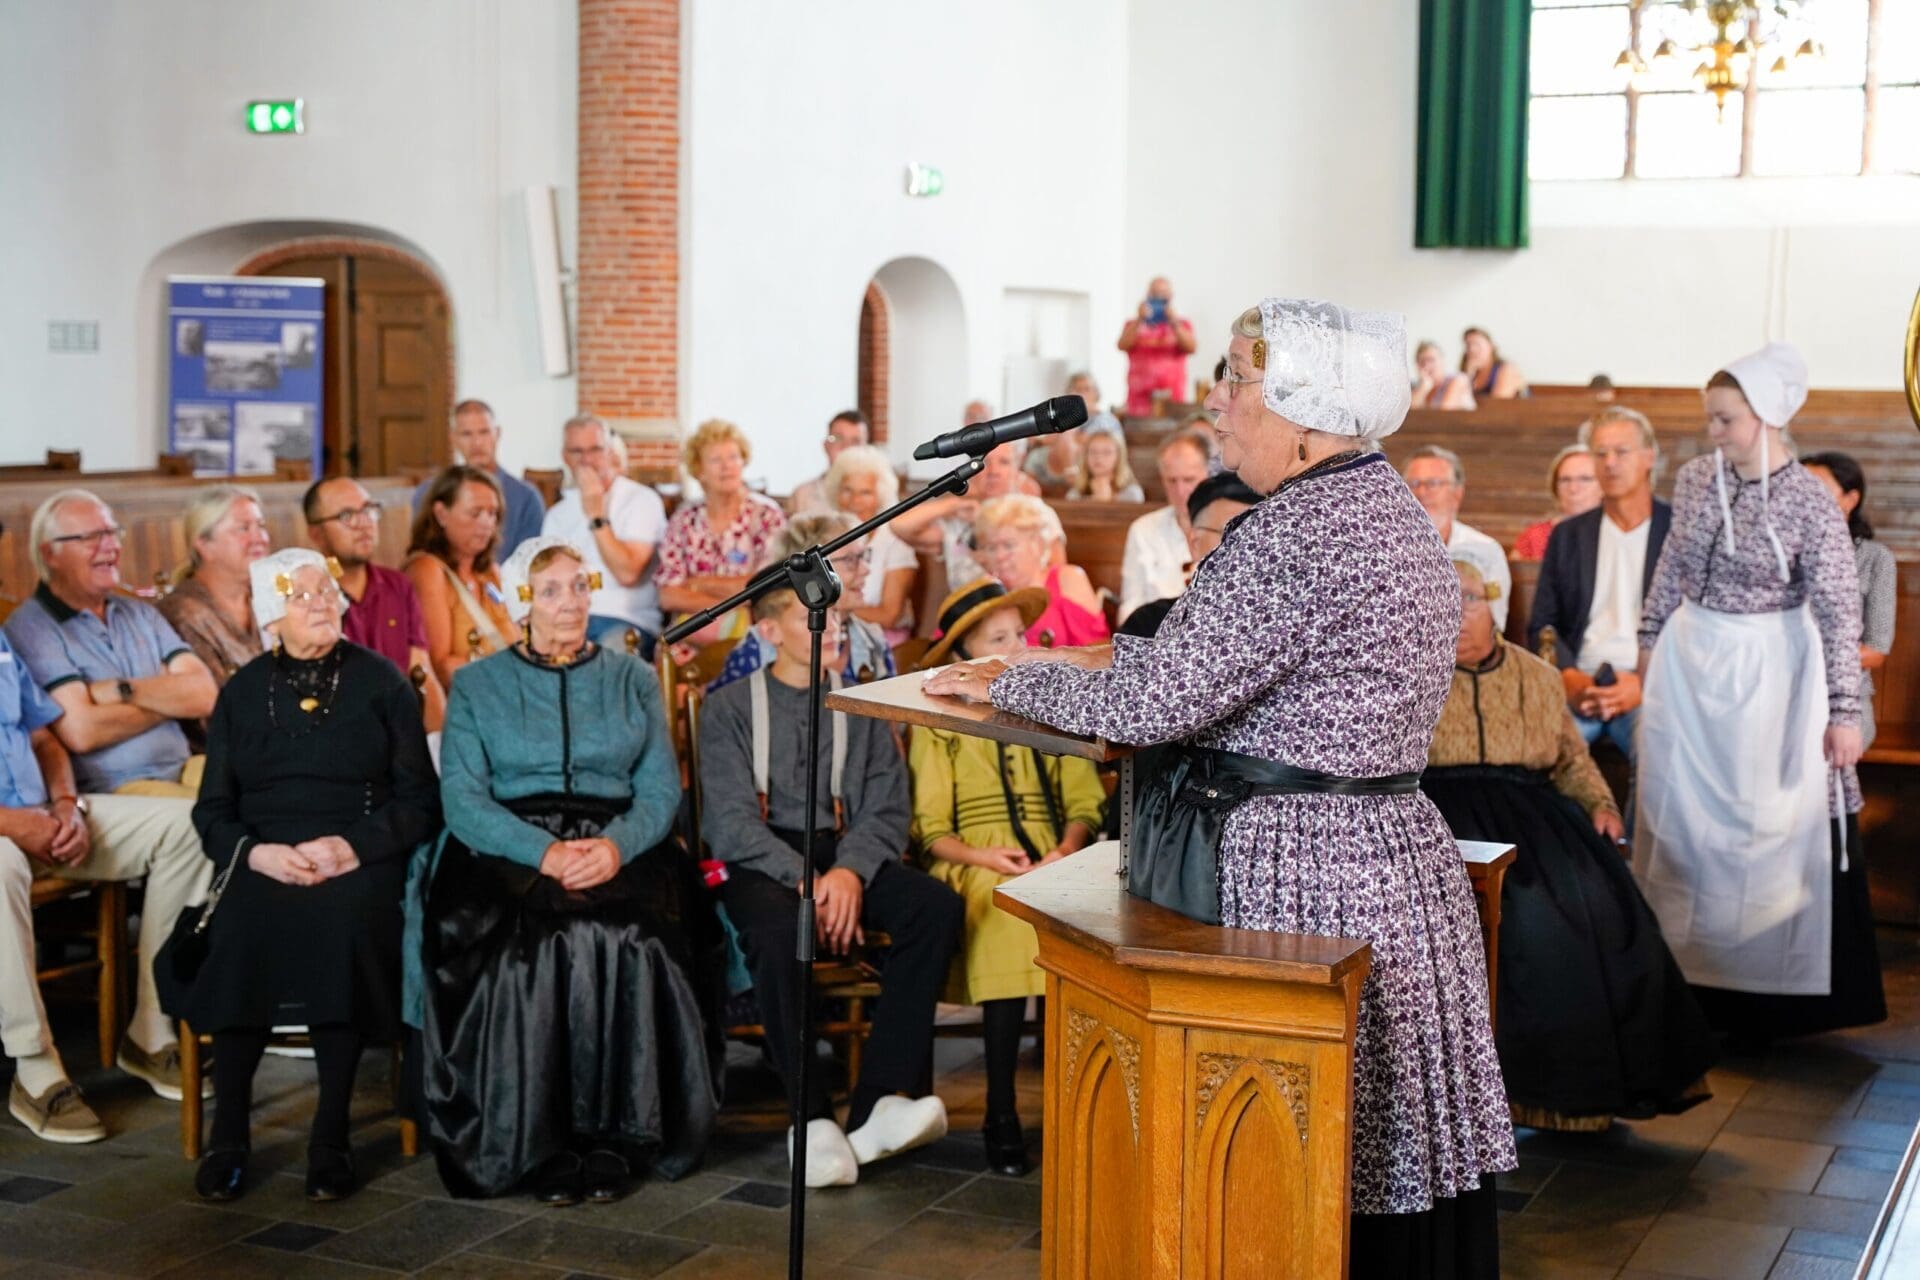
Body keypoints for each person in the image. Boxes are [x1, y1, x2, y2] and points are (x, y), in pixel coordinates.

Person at [928, 297, 1514, 1275]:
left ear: (1302, 412)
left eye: (1238, 381)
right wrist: (1067, 666)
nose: (1216, 401)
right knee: (1385, 1147)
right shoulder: (1389, 510)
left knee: (1297, 1155)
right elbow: (1240, 671)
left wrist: (1009, 680)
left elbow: (1157, 702)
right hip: (1390, 852)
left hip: (1303, 868)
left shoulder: (1289, 531)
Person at [408, 537, 721, 1204]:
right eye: (550, 590)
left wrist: (614, 847)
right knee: (528, 951)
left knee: (636, 939)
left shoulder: (633, 678)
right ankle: (538, 1141)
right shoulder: (478, 685)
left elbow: (659, 792)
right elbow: (463, 800)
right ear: (521, 604)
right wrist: (544, 853)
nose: (571, 602)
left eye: (580, 586)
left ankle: (621, 1135)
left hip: (619, 839)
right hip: (506, 845)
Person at [1633, 343, 1885, 1044]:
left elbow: (1838, 609)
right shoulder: (1695, 479)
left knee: (1764, 826)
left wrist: (1843, 712)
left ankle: (1771, 1000)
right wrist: (1648, 643)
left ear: (1767, 415)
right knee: (1685, 821)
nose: (1713, 432)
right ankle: (1688, 984)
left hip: (1775, 671)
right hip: (1693, 663)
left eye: (1726, 420)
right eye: (1710, 418)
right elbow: (1672, 565)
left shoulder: (1809, 499)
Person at [177, 549, 439, 1204]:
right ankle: (229, 1135)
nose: (323, 603)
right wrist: (257, 855)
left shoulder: (381, 681)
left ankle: (331, 1136)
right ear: (272, 616)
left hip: (357, 853)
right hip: (265, 854)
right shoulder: (241, 692)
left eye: (328, 593)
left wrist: (350, 849)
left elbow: (421, 802)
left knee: (342, 923)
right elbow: (211, 812)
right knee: (240, 930)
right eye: (303, 596)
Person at [1425, 559, 1715, 1132]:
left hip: (1533, 814)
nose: (1456, 615)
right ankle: (1516, 1097)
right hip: (1443, 816)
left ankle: (1594, 1093)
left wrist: (1602, 806)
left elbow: (1570, 760)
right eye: (1441, 602)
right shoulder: (1409, 672)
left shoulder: (1537, 676)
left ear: (1493, 607)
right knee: (1529, 925)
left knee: (1610, 912)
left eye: (1468, 600)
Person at [699, 583, 963, 1189]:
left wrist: (848, 871)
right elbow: (730, 824)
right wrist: (807, 882)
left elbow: (887, 808)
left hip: (843, 849)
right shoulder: (728, 708)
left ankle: (878, 1103)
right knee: (776, 930)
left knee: (935, 907)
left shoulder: (860, 706)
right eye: (814, 617)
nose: (835, 627)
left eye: (838, 616)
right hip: (766, 858)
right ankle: (811, 1116)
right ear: (769, 631)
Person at [909, 580, 1104, 1175]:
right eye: (997, 639)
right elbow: (931, 828)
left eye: (1018, 634)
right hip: (974, 858)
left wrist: (1065, 849)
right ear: (961, 655)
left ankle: (1080, 1110)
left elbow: (1082, 797)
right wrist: (983, 857)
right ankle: (1000, 1109)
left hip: (1054, 853)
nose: (1015, 648)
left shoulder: (1045, 697)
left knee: (1084, 914)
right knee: (1005, 913)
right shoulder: (935, 719)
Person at [0, 627, 210, 1137]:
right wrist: (13, 824)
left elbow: (43, 737)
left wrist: (66, 805)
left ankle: (151, 1029)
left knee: (190, 826)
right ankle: (35, 1067)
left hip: (45, 816)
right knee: (1, 863)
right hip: (7, 833)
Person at [5, 489, 218, 799]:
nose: (110, 546)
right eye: (91, 537)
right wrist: (169, 700)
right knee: (222, 815)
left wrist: (120, 691)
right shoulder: (32, 628)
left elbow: (204, 695)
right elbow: (82, 731)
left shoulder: (139, 613)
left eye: (112, 533)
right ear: (50, 554)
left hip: (185, 766)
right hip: (117, 787)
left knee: (273, 789)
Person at [1527, 409, 1671, 763]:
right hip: (1582, 680)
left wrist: (1645, 682)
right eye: (1600, 453)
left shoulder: (1678, 529)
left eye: (1621, 452)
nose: (1610, 463)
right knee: (1534, 752)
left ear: (1649, 456)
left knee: (1660, 754)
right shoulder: (1569, 535)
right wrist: (1568, 676)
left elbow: (1693, 625)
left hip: (1652, 684)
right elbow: (1543, 623)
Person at [303, 477, 446, 728]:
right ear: (316, 534)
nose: (364, 523)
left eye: (368, 510)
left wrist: (437, 742)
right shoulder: (307, 599)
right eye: (347, 516)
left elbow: (422, 674)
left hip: (400, 732)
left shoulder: (397, 586)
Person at [707, 514, 898, 692]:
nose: (865, 569)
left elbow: (891, 714)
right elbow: (725, 709)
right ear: (808, 572)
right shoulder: (757, 648)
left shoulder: (873, 642)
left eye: (863, 556)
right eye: (850, 560)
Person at [542, 415, 669, 657]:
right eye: (577, 452)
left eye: (595, 450)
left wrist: (596, 515)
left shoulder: (640, 500)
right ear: (565, 457)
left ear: (610, 452)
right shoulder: (556, 515)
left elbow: (627, 573)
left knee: (603, 662)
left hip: (626, 621)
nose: (587, 460)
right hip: (568, 621)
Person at [656, 419, 787, 648]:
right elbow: (668, 596)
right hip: (689, 635)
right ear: (699, 470)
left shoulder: (767, 515)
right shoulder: (684, 519)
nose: (727, 466)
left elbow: (764, 588)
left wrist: (696, 583)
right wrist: (735, 604)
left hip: (752, 633)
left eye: (734, 457)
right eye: (716, 460)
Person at [157, 486, 270, 747]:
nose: (259, 538)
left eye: (261, 526)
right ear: (204, 545)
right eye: (243, 528)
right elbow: (214, 716)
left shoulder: (269, 597)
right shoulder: (184, 613)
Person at [1803, 451, 1897, 753]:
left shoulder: (1875, 559)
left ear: (1850, 499)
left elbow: (1876, 652)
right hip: (1782, 692)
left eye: (1818, 490)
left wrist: (1804, 658)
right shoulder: (1781, 554)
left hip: (1843, 702)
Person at [1117, 472, 1262, 639]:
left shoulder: (1279, 621)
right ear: (1194, 543)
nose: (1246, 547)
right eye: (1231, 533)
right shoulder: (1149, 623)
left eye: (1256, 535)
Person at [406, 466, 513, 689]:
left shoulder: (489, 571)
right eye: (475, 513)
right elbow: (440, 670)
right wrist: (509, 670)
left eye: (492, 513)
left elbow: (517, 641)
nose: (486, 523)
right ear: (441, 514)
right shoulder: (428, 570)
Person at [892, 437, 1040, 590]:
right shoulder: (960, 520)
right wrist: (953, 504)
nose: (993, 471)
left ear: (1016, 470)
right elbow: (899, 525)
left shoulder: (1032, 514)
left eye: (1004, 462)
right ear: (973, 471)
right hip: (968, 603)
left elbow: (1048, 574)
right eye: (985, 463)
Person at [410, 400, 546, 557]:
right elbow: (421, 552)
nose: (477, 443)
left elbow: (530, 562)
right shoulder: (429, 492)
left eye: (484, 432)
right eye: (466, 434)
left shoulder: (526, 497)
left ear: (497, 434)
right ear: (453, 438)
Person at [973, 496, 1108, 649]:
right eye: (991, 548)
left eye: (1008, 545)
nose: (1000, 556)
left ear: (1036, 544)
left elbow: (1097, 649)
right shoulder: (984, 590)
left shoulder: (1067, 579)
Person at [1404, 445, 1512, 631]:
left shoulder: (1485, 550)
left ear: (1457, 493)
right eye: (1413, 484)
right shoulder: (1386, 548)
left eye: (1433, 483)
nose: (1421, 493)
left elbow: (1495, 625)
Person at [822, 444, 917, 641]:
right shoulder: (824, 535)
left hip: (881, 639)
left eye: (865, 492)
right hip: (830, 632)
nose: (854, 500)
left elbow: (889, 616)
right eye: (847, 490)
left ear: (880, 496)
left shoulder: (895, 541)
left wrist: (831, 607)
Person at [1117, 428, 1213, 623]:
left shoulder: (1229, 527)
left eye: (1189, 480)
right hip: (1153, 631)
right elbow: (1131, 603)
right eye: (1172, 481)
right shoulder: (1143, 530)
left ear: (1208, 475)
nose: (1180, 490)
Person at [1117, 277, 1197, 415]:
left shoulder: (1182, 324)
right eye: (1155, 293)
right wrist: (1139, 319)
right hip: (1138, 403)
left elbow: (1191, 348)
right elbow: (1122, 345)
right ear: (1148, 295)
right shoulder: (1132, 324)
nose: (1159, 297)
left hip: (1172, 401)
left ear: (1170, 296)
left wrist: (1174, 322)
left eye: (1163, 294)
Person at [1512, 445, 1599, 561]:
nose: (1573, 488)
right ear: (1555, 487)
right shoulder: (1534, 537)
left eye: (1584, 479)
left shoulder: (1614, 534)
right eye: (1565, 480)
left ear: (1604, 486)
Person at [789, 410, 869, 515]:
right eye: (838, 438)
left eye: (855, 441)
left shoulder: (881, 494)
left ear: (867, 449)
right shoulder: (802, 496)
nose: (846, 447)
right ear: (825, 445)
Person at [1065, 423, 1143, 503]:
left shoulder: (1132, 493)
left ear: (1119, 456)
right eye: (1093, 451)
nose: (1098, 457)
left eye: (1107, 452)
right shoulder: (1075, 494)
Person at [1461, 326, 1526, 400]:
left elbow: (1498, 403)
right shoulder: (1470, 373)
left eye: (1477, 344)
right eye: (1468, 345)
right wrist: (1468, 376)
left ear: (1491, 345)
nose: (1472, 349)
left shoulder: (1507, 369)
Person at [1412, 340, 1475, 411]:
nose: (1426, 366)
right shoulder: (1419, 387)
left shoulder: (1459, 380)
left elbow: (1443, 413)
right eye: (1422, 361)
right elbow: (1409, 413)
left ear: (1442, 360)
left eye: (1431, 360)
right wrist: (1423, 389)